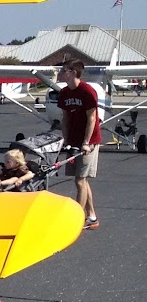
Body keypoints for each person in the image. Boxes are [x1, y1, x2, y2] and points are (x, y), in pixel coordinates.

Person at [53, 59, 101, 229]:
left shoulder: (87, 91)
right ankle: (92, 216)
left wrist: (86, 142)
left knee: (80, 180)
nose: (60, 72)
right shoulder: (65, 92)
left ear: (73, 72)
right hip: (73, 141)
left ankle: (77, 219)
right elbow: (65, 117)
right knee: (81, 180)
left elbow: (92, 118)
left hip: (89, 142)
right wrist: (65, 139)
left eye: (64, 70)